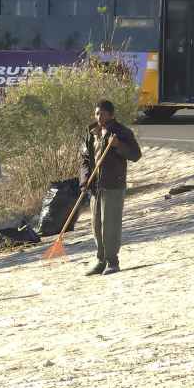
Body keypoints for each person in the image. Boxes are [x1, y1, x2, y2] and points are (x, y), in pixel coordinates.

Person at [79, 100, 142, 276]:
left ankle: (113, 262)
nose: (99, 117)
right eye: (97, 113)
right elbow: (84, 159)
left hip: (113, 185)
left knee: (110, 225)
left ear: (112, 115)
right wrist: (84, 181)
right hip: (95, 186)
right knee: (96, 225)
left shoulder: (122, 132)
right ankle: (100, 260)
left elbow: (136, 155)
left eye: (103, 114)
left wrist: (118, 146)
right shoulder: (91, 133)